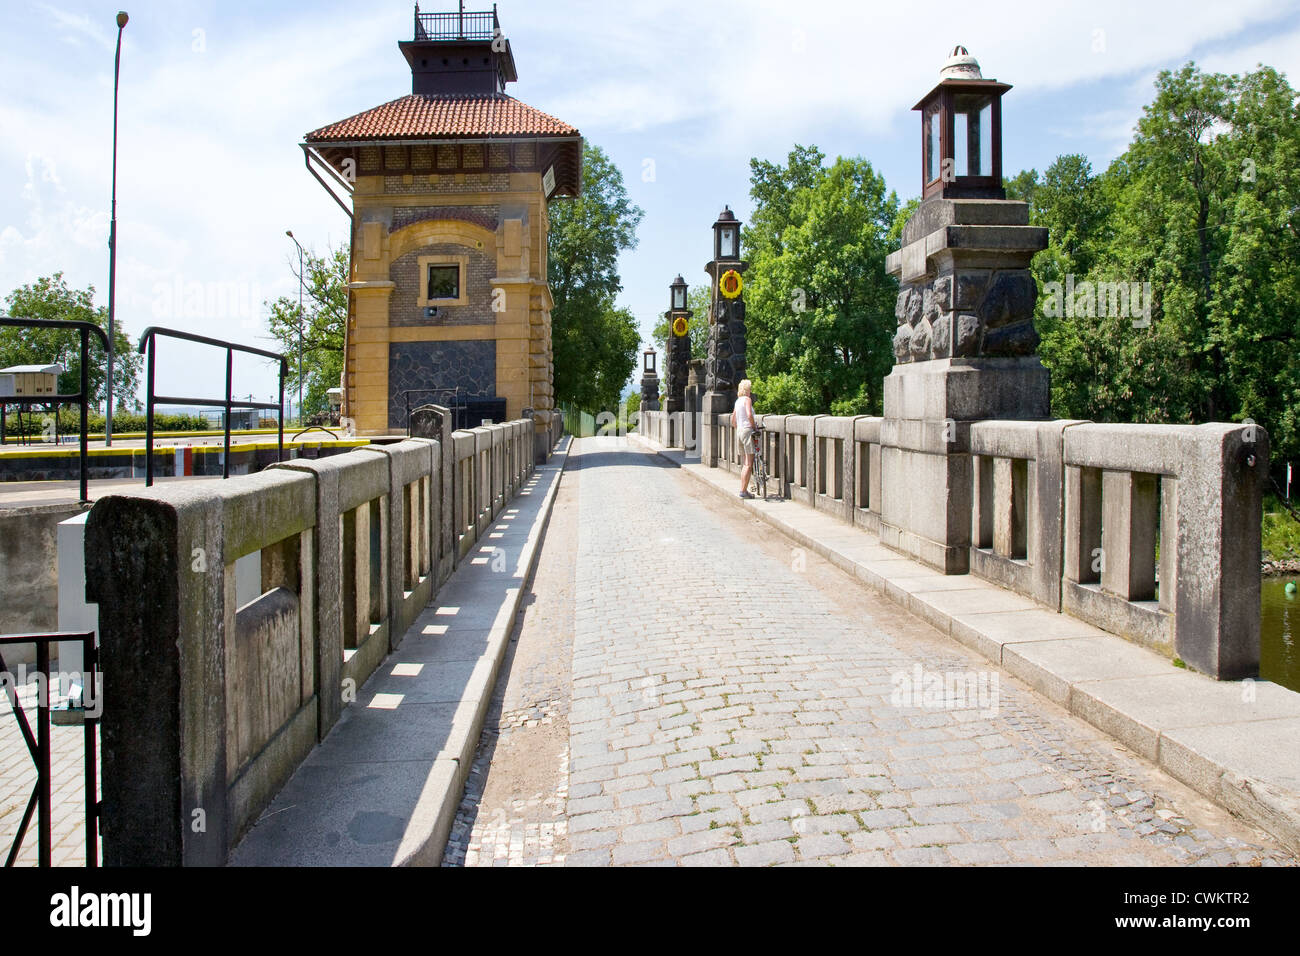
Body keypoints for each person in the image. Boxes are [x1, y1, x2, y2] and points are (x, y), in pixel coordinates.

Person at [732, 379, 757, 498]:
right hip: (747, 431)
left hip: (739, 432)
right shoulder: (747, 399)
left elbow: (733, 419)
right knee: (748, 463)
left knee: (744, 463)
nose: (751, 391)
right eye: (750, 388)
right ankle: (743, 491)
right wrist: (754, 427)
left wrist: (739, 428)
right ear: (747, 390)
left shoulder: (737, 401)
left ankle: (743, 489)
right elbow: (749, 414)